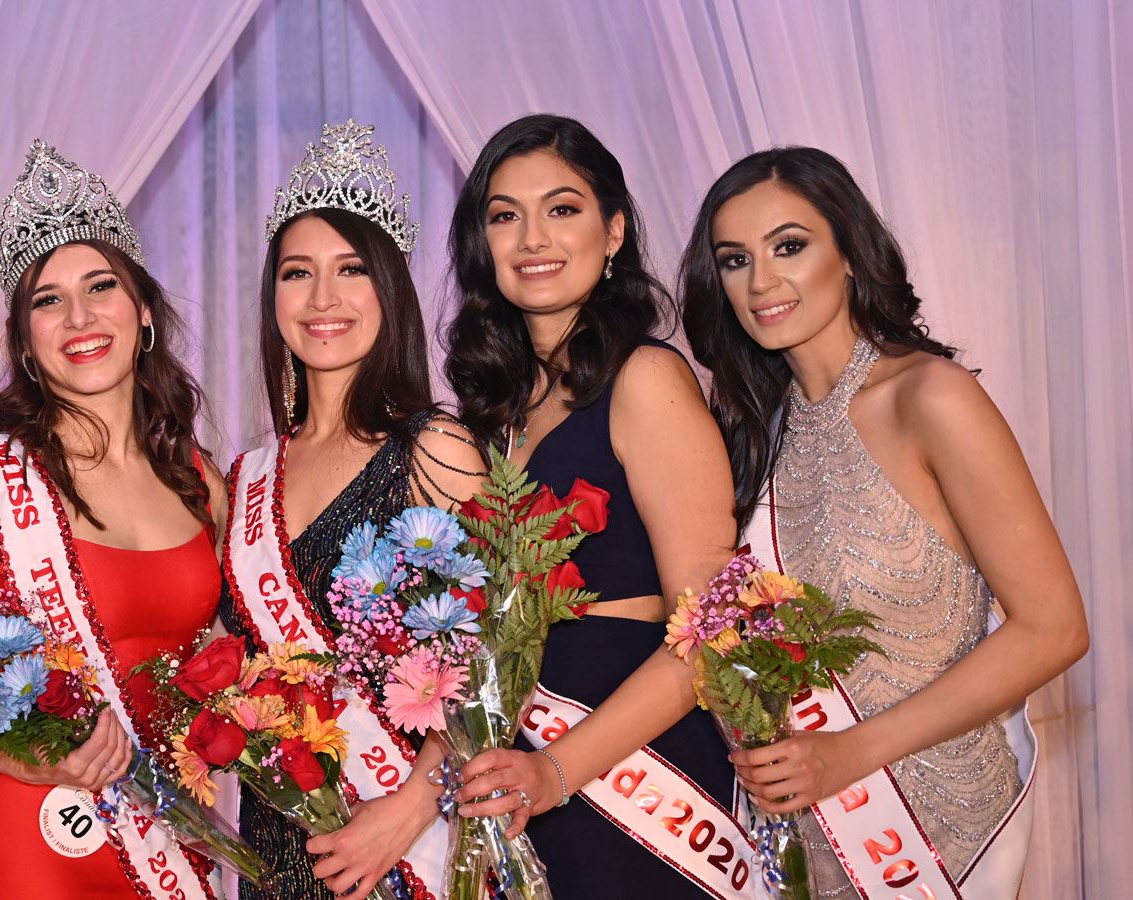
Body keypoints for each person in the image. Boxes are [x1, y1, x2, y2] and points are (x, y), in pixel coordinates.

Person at [677, 146, 1087, 898]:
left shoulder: (931, 398)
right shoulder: (752, 434)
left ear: (851, 255)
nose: (761, 281)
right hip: (804, 834)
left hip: (939, 833)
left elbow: (1055, 628)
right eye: (735, 259)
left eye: (789, 247)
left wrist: (851, 753)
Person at [0, 140, 227, 900]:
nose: (79, 317)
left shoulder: (200, 480)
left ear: (142, 312)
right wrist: (21, 759)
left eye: (101, 286)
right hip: (35, 832)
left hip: (167, 834)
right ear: (27, 341)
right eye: (47, 299)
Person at [444, 114, 742, 898]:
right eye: (504, 215)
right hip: (529, 782)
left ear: (613, 232)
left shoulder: (646, 379)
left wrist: (557, 766)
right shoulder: (499, 412)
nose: (532, 237)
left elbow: (709, 630)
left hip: (634, 776)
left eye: (562, 208)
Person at [217, 120, 487, 900]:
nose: (323, 298)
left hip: (409, 846)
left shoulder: (434, 448)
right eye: (298, 273)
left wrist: (408, 808)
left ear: (388, 290)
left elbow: (490, 665)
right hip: (278, 848)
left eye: (350, 270)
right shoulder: (249, 476)